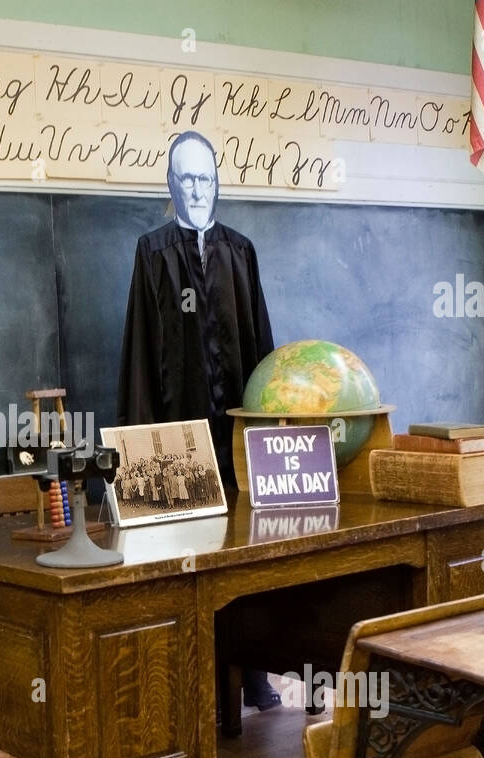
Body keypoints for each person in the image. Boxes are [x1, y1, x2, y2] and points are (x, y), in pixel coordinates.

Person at [115, 131, 281, 712]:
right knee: (190, 570)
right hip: (178, 437)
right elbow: (140, 349)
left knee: (250, 561)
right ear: (170, 184)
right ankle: (202, 694)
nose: (196, 189)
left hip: (235, 438)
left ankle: (255, 677)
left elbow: (261, 347)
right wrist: (138, 443)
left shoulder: (241, 251)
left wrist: (269, 429)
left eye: (204, 177)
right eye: (184, 178)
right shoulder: (153, 252)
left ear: (218, 182)